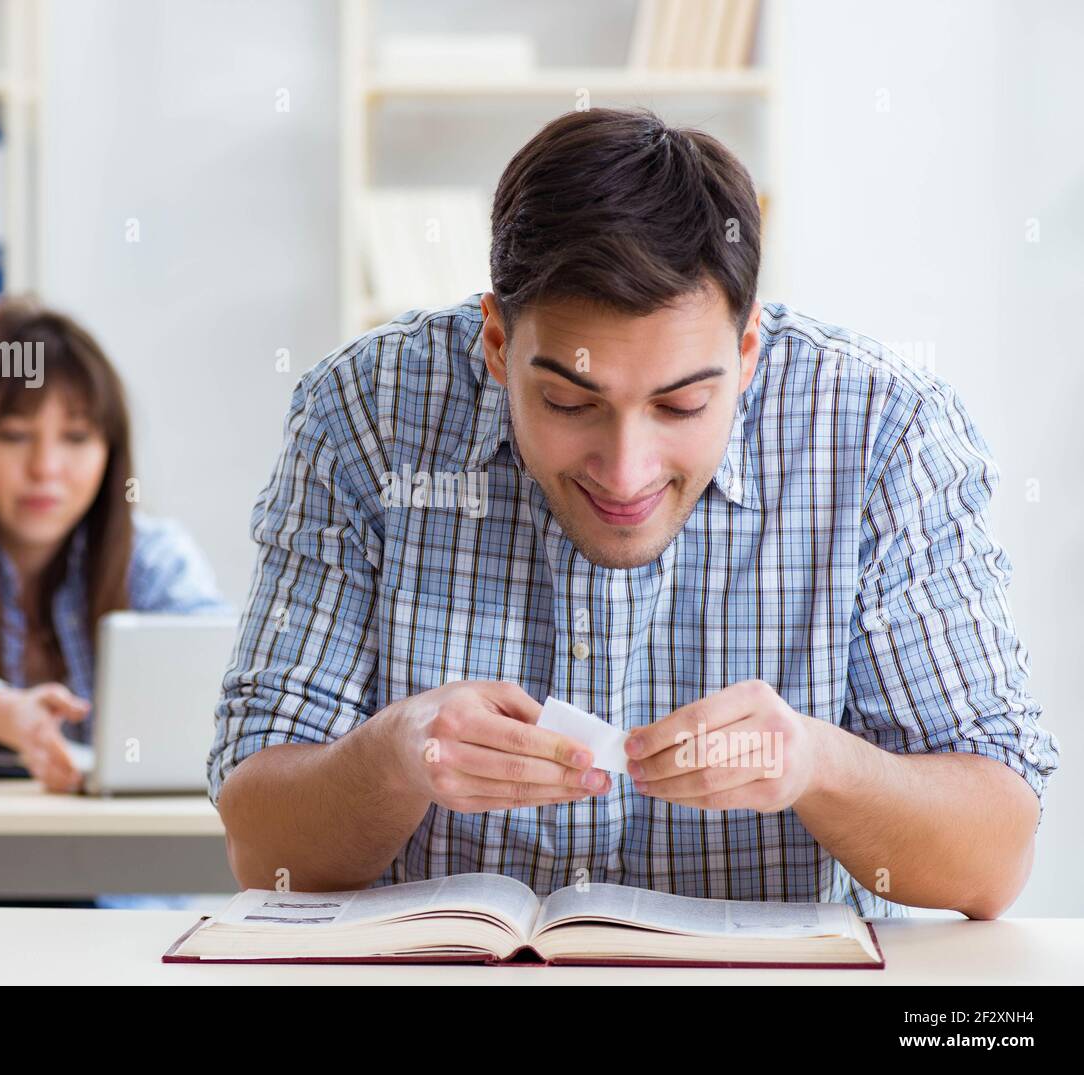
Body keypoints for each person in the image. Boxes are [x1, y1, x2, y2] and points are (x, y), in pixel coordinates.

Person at [209, 107, 1060, 919]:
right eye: (569, 402)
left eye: (682, 405)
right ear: (498, 345)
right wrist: (395, 756)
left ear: (747, 351)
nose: (626, 470)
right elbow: (261, 846)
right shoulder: (366, 414)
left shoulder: (883, 433)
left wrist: (819, 762)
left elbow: (993, 862)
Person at [0, 298, 231, 793]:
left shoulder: (155, 552)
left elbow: (211, 667)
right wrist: (7, 714)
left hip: (120, 855)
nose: (45, 468)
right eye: (14, 435)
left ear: (109, 453)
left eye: (76, 437)